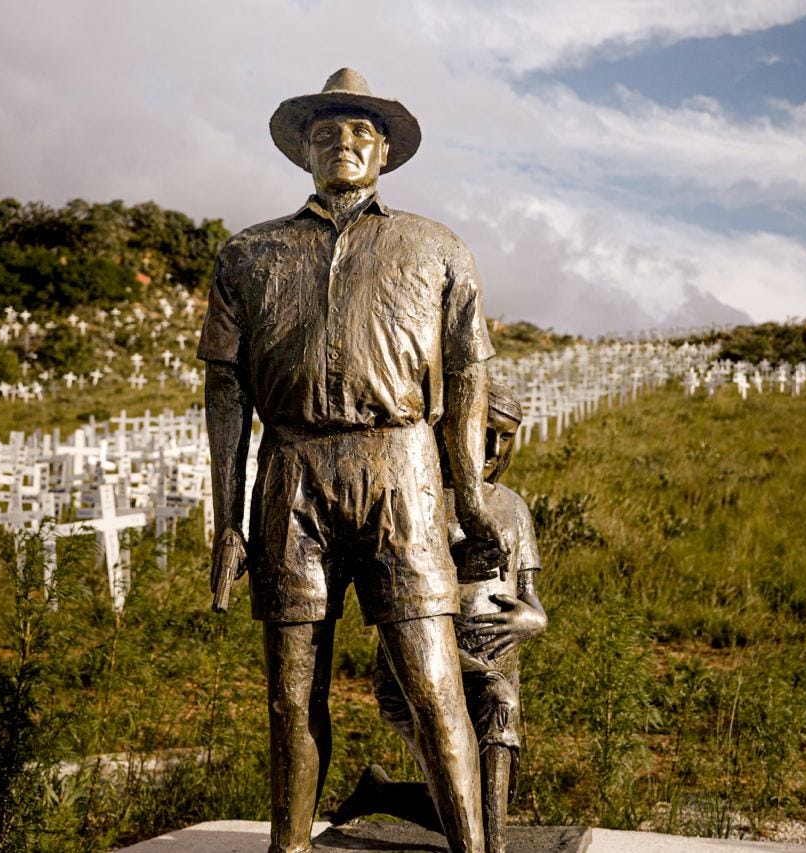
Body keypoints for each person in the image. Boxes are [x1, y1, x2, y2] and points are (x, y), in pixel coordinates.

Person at [198, 69, 505, 853]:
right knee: (290, 694)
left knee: (435, 686)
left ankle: (473, 847)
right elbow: (225, 389)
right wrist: (227, 521)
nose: (344, 144)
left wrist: (468, 496)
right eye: (328, 132)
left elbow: (470, 373)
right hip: (291, 471)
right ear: (304, 148)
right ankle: (288, 845)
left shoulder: (435, 247)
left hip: (400, 469)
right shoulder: (248, 254)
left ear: (387, 150)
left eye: (361, 133)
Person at [330, 384, 547, 853]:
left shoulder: (513, 507)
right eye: (484, 432)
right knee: (487, 727)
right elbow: (398, 590)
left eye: (504, 437)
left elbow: (531, 599)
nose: (492, 449)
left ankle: (384, 794)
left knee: (494, 796)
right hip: (423, 667)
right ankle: (490, 850)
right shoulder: (419, 498)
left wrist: (532, 621)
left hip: (495, 660)